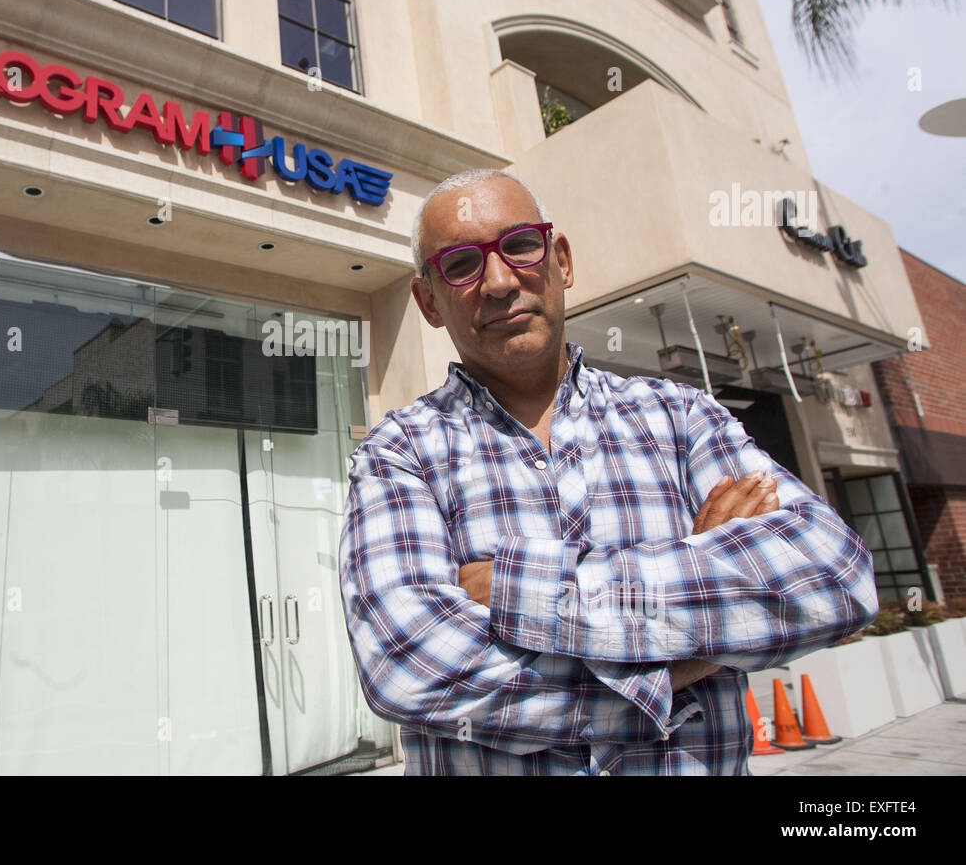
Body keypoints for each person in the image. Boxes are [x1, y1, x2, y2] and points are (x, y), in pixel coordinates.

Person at [337, 168, 878, 775]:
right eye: (460, 264)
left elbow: (833, 574)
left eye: (518, 245)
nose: (495, 281)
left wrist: (525, 589)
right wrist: (688, 656)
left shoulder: (680, 416)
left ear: (560, 261)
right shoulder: (398, 452)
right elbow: (410, 666)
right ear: (428, 301)